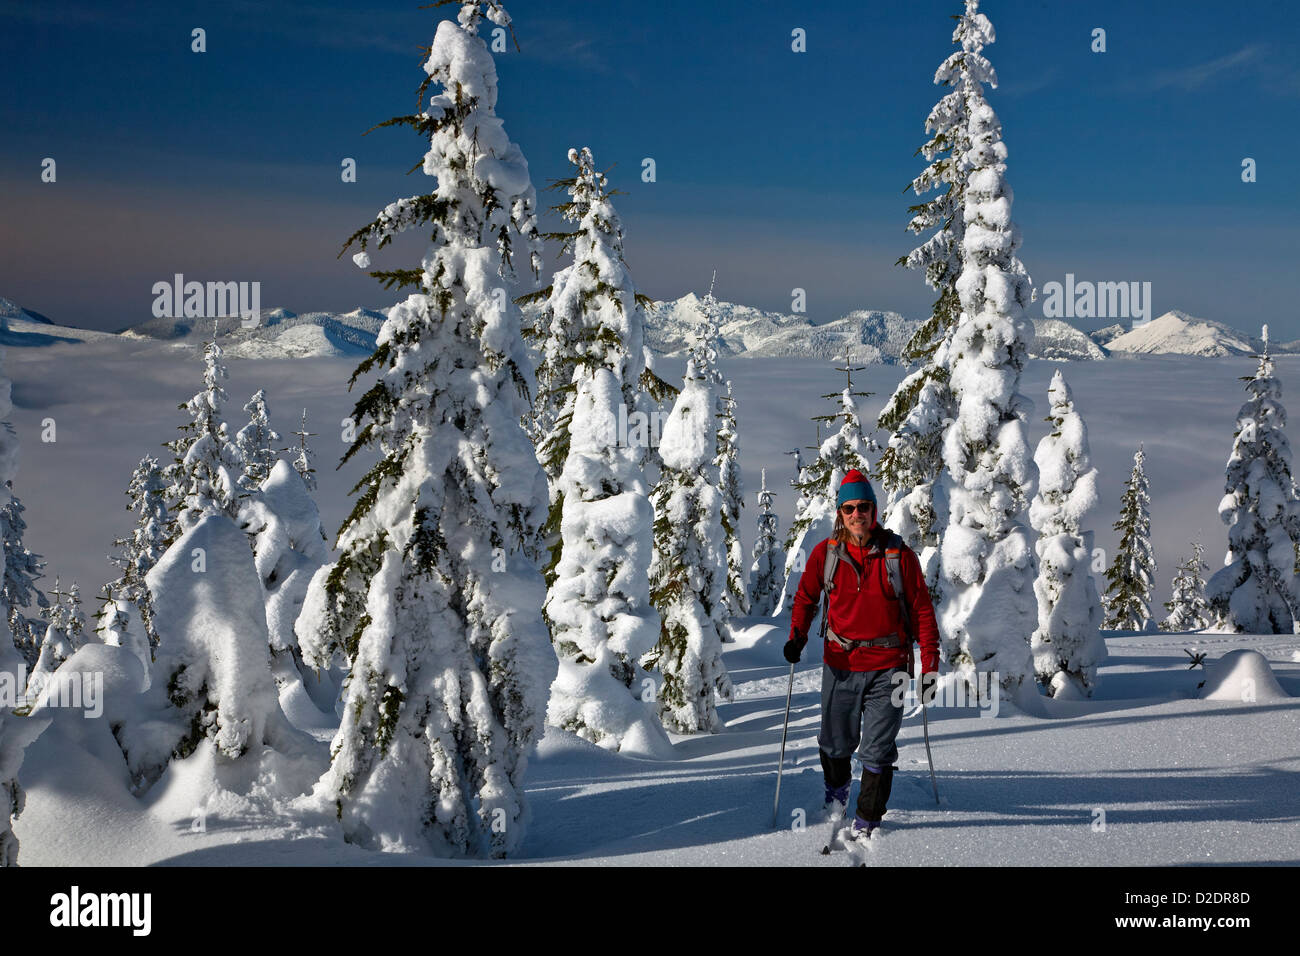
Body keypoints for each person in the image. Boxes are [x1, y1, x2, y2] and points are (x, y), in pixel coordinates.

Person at [783, 469, 941, 840]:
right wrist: (797, 638)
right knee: (835, 743)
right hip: (840, 665)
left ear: (874, 509)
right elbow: (806, 598)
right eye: (850, 507)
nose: (858, 514)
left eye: (864, 506)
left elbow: (922, 611)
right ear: (840, 513)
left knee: (878, 748)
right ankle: (837, 792)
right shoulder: (826, 554)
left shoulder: (899, 556)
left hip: (891, 667)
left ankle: (868, 819)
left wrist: (930, 664)